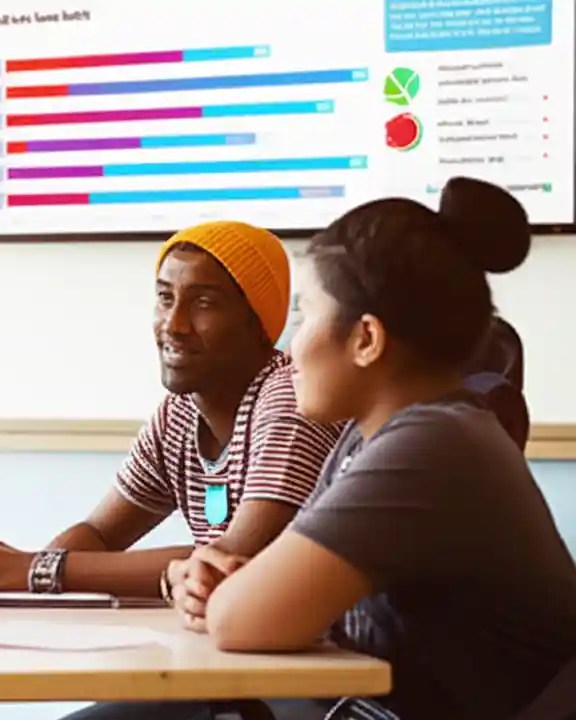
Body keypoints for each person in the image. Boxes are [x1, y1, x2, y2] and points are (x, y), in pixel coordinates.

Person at [199, 178, 576, 719]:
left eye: (304, 314)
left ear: (366, 339)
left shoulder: (430, 446)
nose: (289, 347)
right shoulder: (369, 438)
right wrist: (207, 580)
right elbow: (274, 591)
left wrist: (223, 596)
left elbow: (240, 621)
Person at [0, 221, 342, 610]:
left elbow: (233, 561)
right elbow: (99, 534)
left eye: (203, 303)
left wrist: (37, 569)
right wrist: (7, 571)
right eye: (165, 298)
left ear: (258, 323)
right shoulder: (180, 413)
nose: (174, 324)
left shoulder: (291, 398)